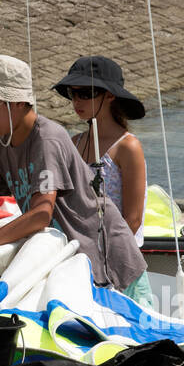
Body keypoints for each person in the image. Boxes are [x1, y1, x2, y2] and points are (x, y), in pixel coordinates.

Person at [0, 54, 147, 298]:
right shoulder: (1, 148)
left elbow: (40, 214)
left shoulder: (47, 140)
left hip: (113, 266)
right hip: (74, 266)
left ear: (18, 102)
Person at [53, 55, 147, 243]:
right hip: (79, 246)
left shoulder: (127, 147)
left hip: (117, 250)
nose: (77, 101)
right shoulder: (75, 143)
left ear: (110, 95)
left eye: (85, 93)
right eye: (72, 93)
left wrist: (100, 251)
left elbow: (133, 220)